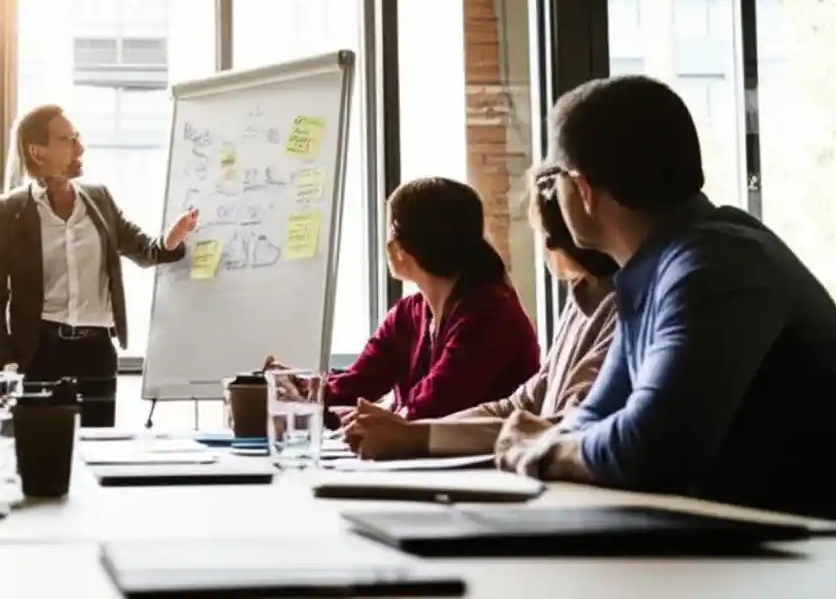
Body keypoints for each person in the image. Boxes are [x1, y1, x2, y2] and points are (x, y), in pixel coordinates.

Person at [495, 75, 836, 518]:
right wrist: (551, 444)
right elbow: (597, 414)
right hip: (745, 535)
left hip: (804, 547)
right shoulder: (660, 266)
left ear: (581, 189)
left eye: (552, 183)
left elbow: (654, 447)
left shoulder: (714, 264)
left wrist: (543, 452)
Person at [343, 168, 619, 459]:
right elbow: (523, 403)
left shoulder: (490, 313)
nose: (546, 244)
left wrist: (410, 432)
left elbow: (570, 427)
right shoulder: (580, 301)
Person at [0, 105, 198, 427]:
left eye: (78, 138)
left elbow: (144, 249)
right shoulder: (7, 211)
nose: (80, 148)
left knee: (100, 446)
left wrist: (171, 239)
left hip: (97, 352)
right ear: (37, 151)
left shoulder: (99, 199)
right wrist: (3, 359)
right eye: (68, 140)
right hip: (39, 352)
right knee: (42, 446)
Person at [268, 177, 540, 424]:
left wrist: (374, 415)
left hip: (490, 459)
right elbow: (359, 383)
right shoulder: (409, 313)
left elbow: (434, 407)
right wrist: (295, 386)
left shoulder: (490, 314)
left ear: (398, 247)